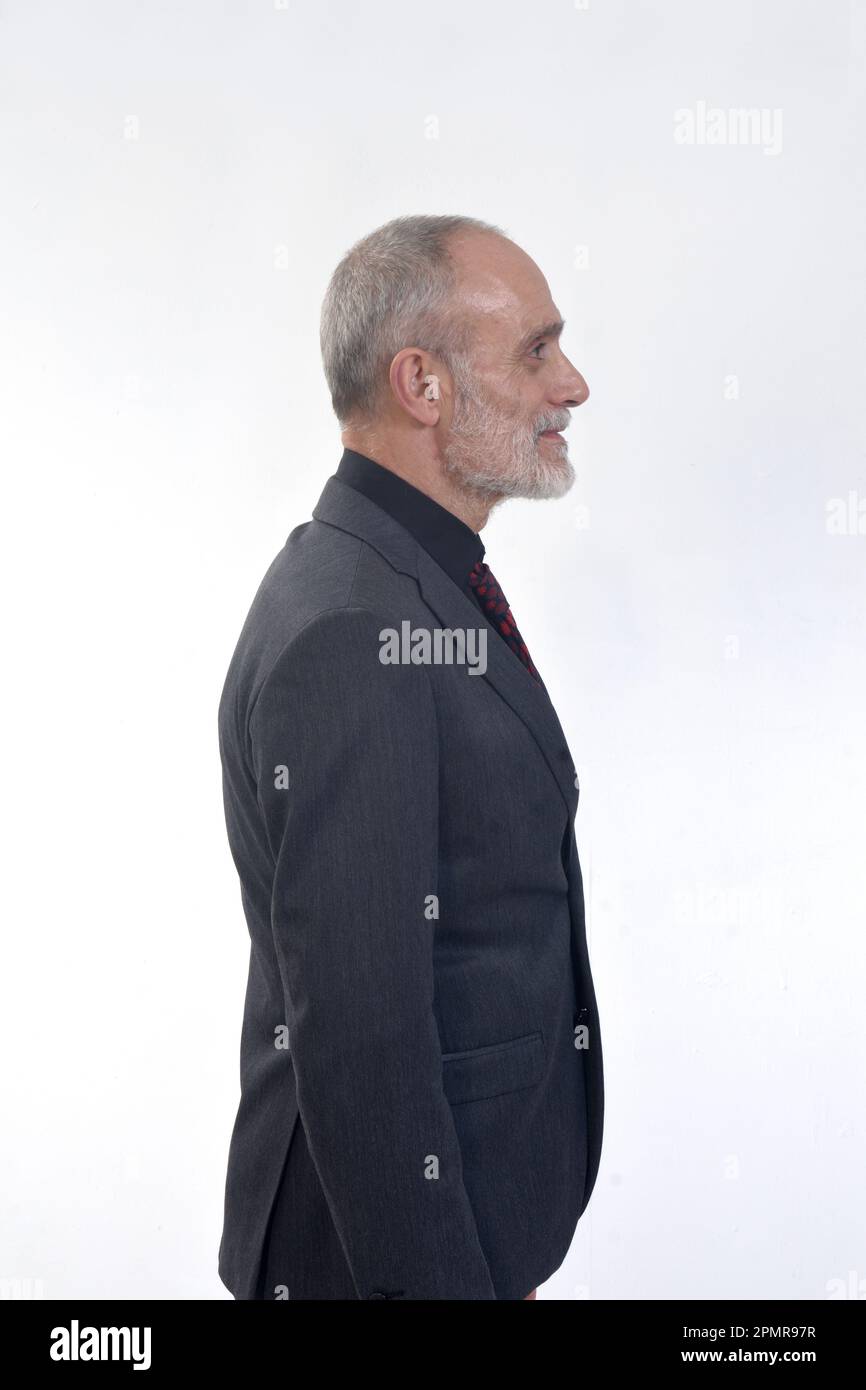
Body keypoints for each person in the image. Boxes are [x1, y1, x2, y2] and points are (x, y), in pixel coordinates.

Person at [217, 213, 604, 1300]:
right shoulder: (354, 628)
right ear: (421, 384)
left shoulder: (404, 577)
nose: (570, 385)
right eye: (534, 350)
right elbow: (363, 1044)